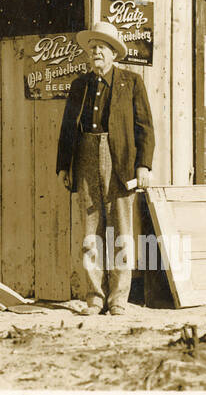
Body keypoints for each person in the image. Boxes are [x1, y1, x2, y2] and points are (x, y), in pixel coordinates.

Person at [56, 20, 155, 316]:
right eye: (92, 48)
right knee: (91, 230)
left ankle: (118, 299)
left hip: (120, 159)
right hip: (85, 155)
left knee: (121, 229)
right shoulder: (80, 85)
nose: (96, 52)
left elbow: (145, 127)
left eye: (101, 47)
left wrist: (143, 165)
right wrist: (64, 166)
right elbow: (67, 128)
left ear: (113, 52)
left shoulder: (131, 82)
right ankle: (95, 297)